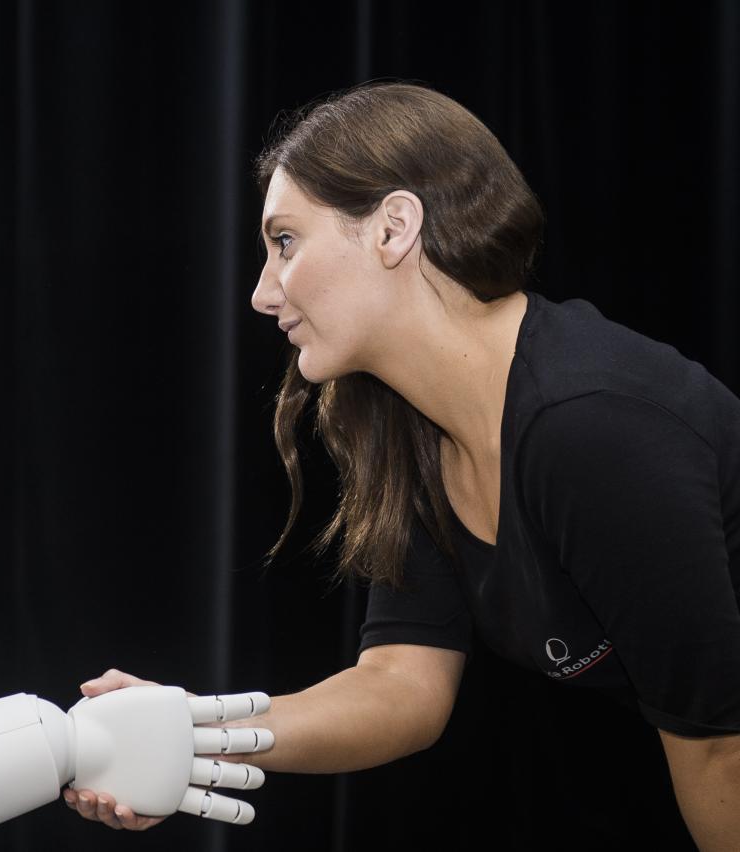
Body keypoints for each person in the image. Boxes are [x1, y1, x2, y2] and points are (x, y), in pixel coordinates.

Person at [63, 82, 740, 849]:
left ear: (393, 228)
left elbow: (721, 752)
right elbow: (401, 685)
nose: (260, 292)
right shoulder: (416, 432)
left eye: (285, 241)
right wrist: (192, 730)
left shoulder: (590, 426)